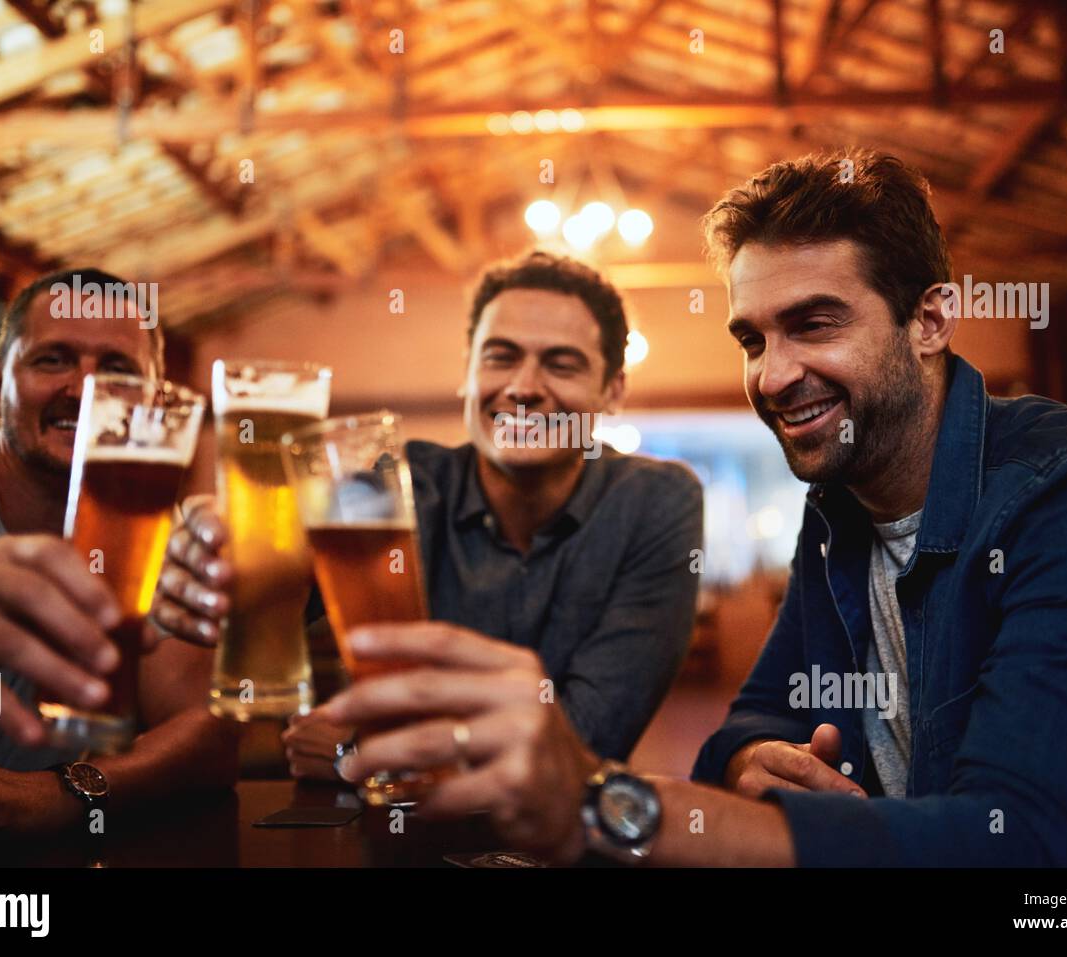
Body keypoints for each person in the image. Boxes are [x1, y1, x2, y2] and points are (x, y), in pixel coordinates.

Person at [310, 151, 1067, 867]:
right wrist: (746, 759)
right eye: (752, 338)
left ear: (930, 320)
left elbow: (1026, 845)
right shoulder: (839, 507)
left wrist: (610, 805)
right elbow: (743, 727)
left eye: (815, 323)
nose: (771, 376)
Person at [162, 251, 705, 767]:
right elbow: (269, 596)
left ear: (613, 391)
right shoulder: (395, 484)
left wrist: (369, 755)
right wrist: (213, 550)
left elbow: (591, 735)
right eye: (501, 357)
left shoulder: (654, 500)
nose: (523, 388)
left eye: (561, 365)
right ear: (467, 374)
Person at [0, 268, 237, 852]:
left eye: (116, 369)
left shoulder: (154, 533)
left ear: (156, 403)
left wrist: (61, 792)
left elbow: (206, 737)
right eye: (52, 359)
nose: (85, 391)